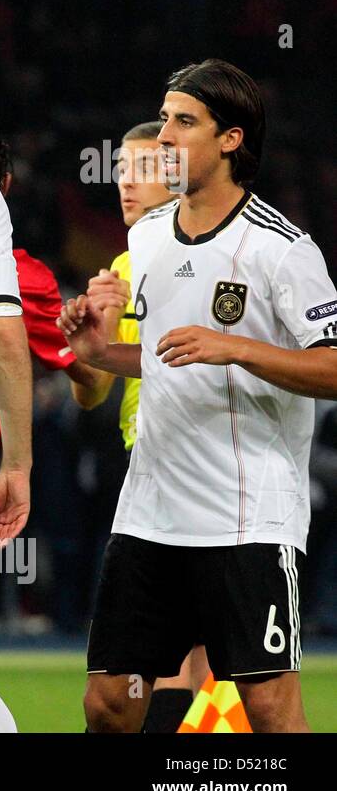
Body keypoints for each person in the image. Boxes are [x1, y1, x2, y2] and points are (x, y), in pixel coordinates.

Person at [60, 59, 337, 732]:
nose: (165, 137)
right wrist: (98, 352)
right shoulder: (148, 236)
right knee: (110, 703)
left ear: (231, 139)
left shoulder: (281, 249)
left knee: (268, 708)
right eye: (163, 120)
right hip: (151, 510)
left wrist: (236, 345)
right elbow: (165, 357)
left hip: (247, 516)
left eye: (184, 121)